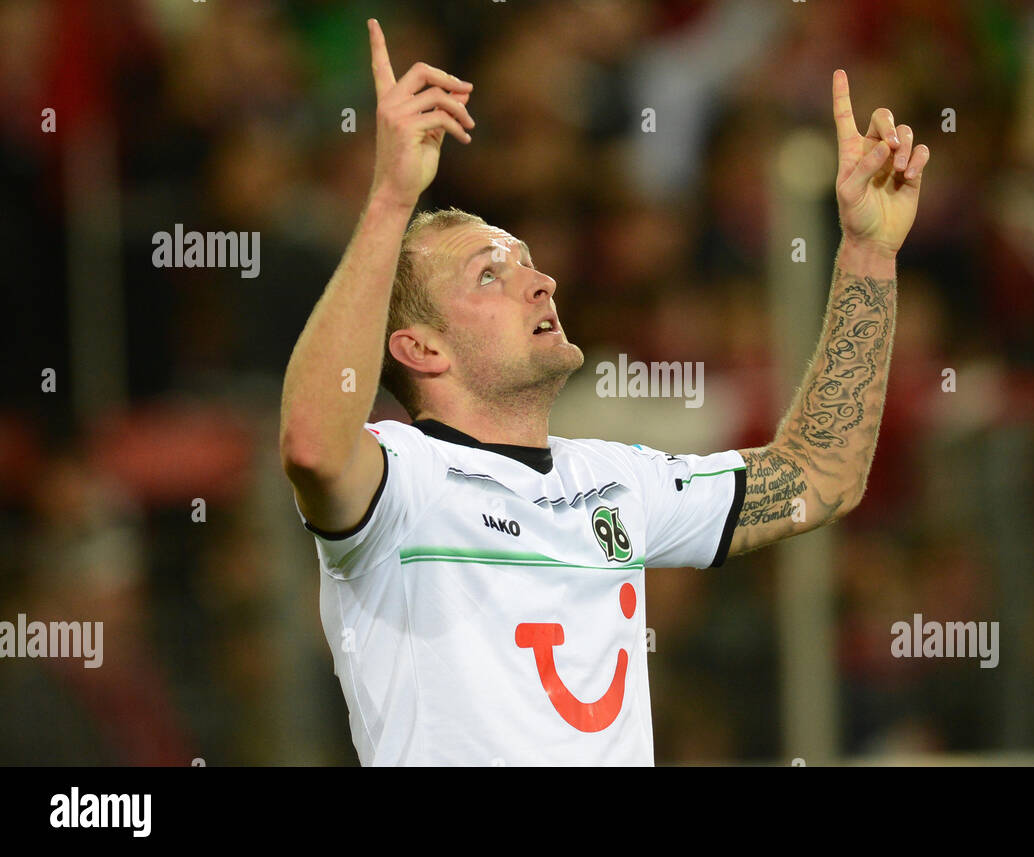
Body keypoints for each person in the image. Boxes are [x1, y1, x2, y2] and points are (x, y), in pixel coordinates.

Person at [279, 19, 929, 765]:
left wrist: (869, 253)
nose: (539, 280)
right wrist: (392, 200)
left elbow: (820, 475)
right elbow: (310, 441)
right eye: (490, 274)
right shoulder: (400, 482)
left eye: (527, 262)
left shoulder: (620, 481)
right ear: (421, 348)